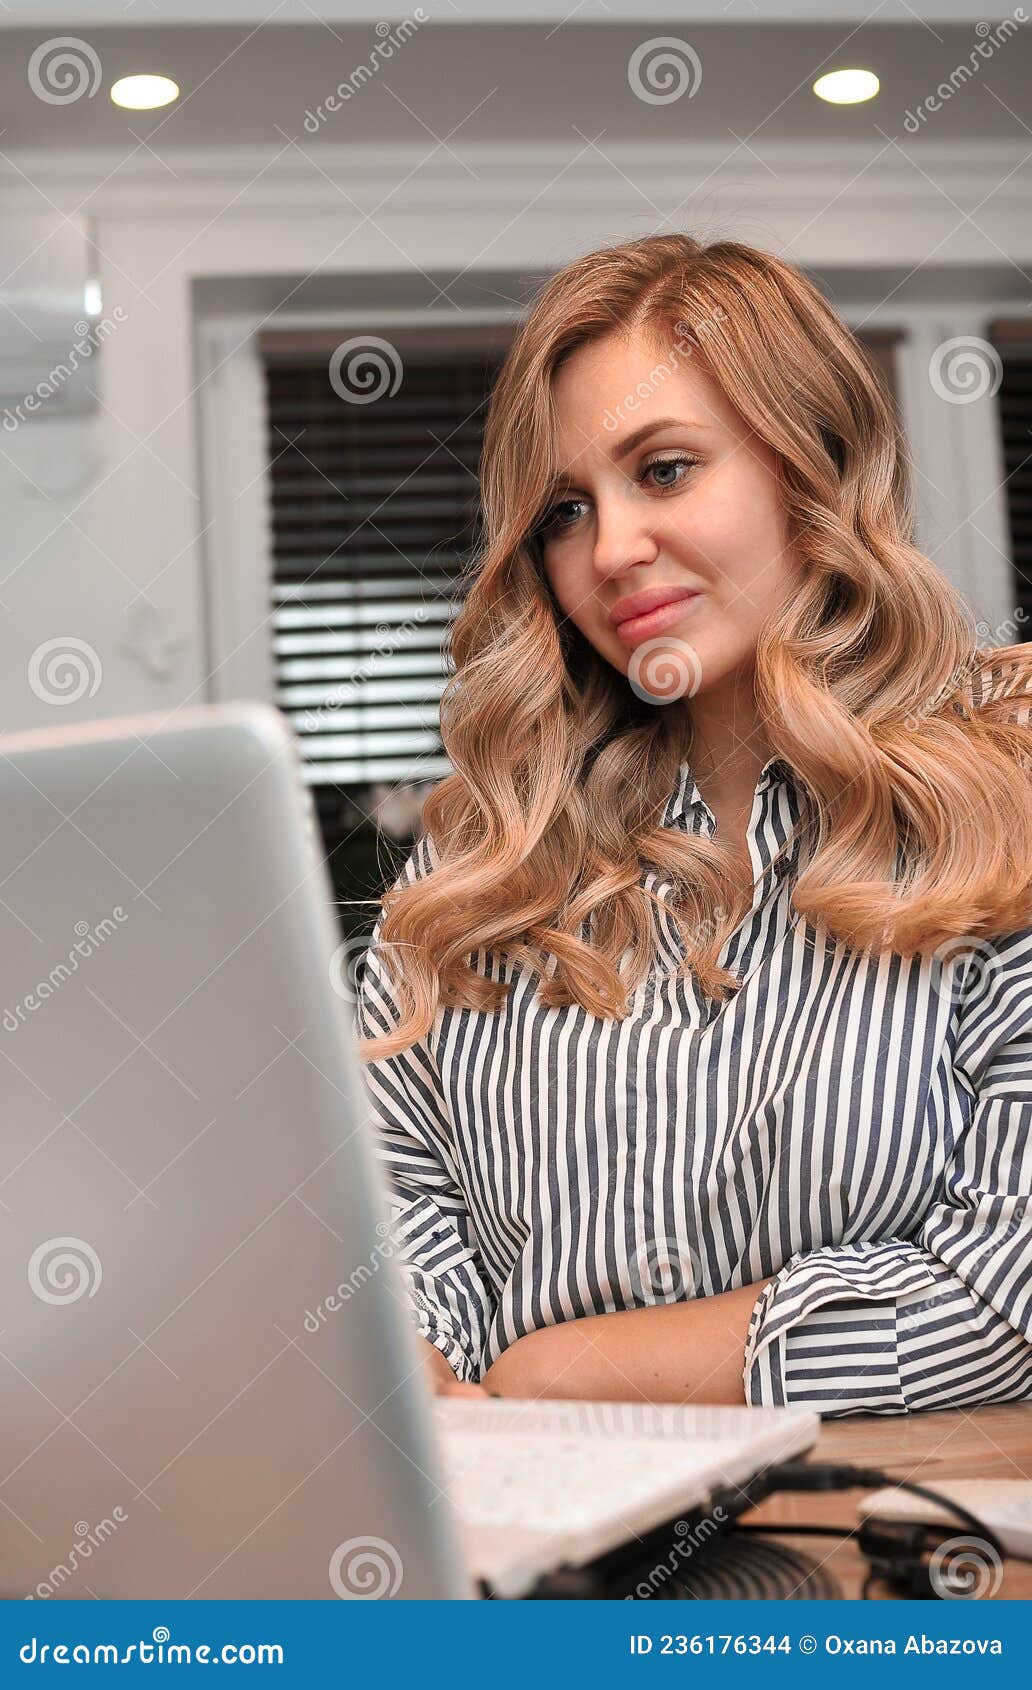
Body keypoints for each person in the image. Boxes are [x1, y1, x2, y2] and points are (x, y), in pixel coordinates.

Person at [354, 231, 1032, 1418]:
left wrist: (550, 1371)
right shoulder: (484, 854)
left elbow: (1003, 1294)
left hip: (880, 1567)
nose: (610, 550)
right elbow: (390, 1197)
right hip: (524, 1564)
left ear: (806, 466)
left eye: (663, 470)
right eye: (566, 509)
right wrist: (401, 1359)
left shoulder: (1001, 797)